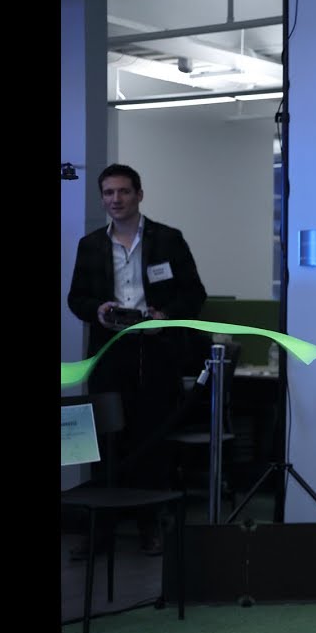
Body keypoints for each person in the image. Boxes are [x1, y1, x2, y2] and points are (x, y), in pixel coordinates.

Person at [67, 163, 208, 556]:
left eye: (123, 192)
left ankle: (151, 526)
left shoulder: (168, 240)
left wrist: (164, 316)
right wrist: (98, 310)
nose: (116, 200)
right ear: (102, 198)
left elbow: (194, 294)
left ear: (139, 194)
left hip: (156, 352)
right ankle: (101, 531)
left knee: (151, 441)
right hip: (110, 353)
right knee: (106, 441)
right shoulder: (90, 245)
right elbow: (76, 298)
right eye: (108, 193)